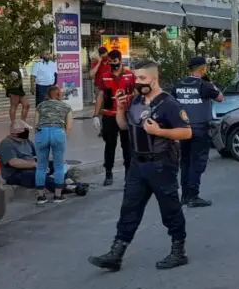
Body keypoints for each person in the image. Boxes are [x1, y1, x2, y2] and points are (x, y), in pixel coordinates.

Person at [88, 60, 193, 271]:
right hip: (138, 164)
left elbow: (187, 132)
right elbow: (125, 126)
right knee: (129, 208)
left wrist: (160, 132)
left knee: (170, 209)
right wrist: (119, 109)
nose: (138, 82)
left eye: (143, 78)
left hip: (162, 164)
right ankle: (116, 253)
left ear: (154, 79)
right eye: (136, 78)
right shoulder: (136, 101)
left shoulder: (169, 104)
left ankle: (178, 251)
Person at [172, 56, 224, 208]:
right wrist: (211, 83)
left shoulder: (178, 84)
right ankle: (193, 196)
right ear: (203, 69)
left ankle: (185, 196)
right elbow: (220, 97)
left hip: (183, 128)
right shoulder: (205, 85)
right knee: (197, 163)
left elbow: (173, 102)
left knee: (185, 162)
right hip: (200, 128)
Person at [92, 50, 134, 186]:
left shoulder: (130, 75)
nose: (112, 65)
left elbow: (136, 94)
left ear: (120, 60)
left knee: (127, 146)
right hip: (109, 116)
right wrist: (95, 115)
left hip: (125, 115)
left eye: (114, 62)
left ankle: (129, 173)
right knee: (110, 146)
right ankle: (108, 173)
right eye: (110, 62)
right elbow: (100, 96)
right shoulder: (105, 76)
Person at [34, 86, 73, 205]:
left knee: (41, 166)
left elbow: (36, 124)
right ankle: (57, 195)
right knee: (59, 165)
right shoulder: (66, 107)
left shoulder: (40, 106)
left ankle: (41, 197)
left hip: (42, 133)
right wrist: (64, 137)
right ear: (59, 95)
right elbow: (69, 126)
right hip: (58, 132)